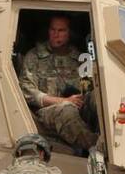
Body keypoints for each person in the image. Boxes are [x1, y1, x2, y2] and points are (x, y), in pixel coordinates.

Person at [18, 14, 98, 151]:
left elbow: (87, 89)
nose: (56, 35)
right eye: (53, 30)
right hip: (45, 114)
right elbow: (28, 92)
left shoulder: (80, 58)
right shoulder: (35, 56)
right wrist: (63, 101)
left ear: (70, 34)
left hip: (78, 108)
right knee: (67, 109)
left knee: (97, 97)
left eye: (61, 31)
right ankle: (96, 147)